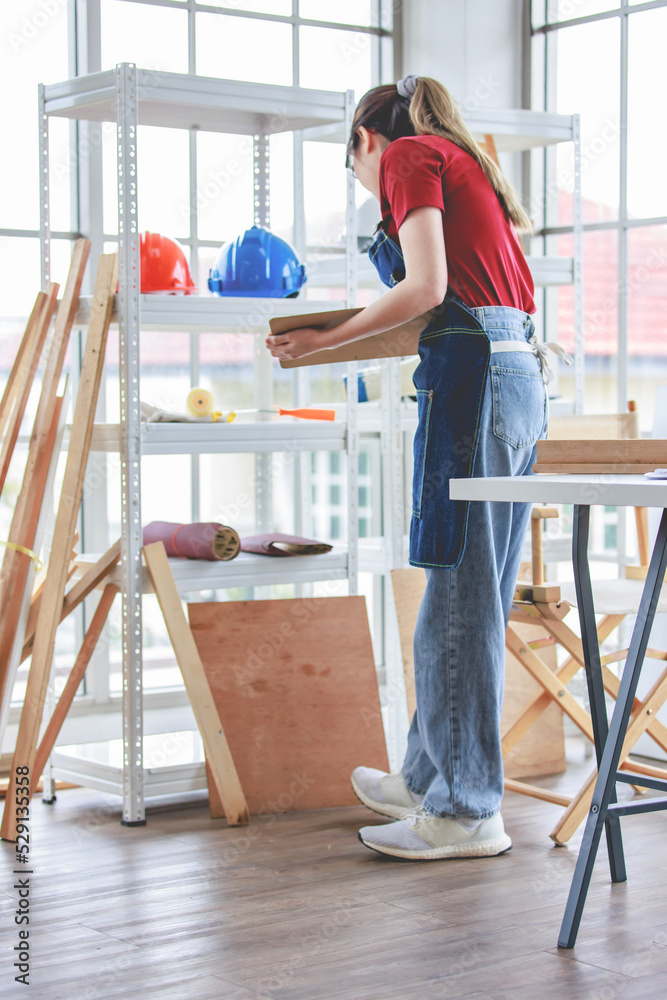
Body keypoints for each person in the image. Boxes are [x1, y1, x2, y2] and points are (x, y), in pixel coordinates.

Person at [265, 75, 555, 861]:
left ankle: (465, 811)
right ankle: (429, 776)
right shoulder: (460, 161)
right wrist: (337, 334)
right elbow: (448, 298)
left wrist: (323, 341)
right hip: (515, 374)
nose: (365, 185)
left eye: (351, 165)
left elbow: (423, 288)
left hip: (477, 380)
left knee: (459, 596)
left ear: (364, 140)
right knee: (469, 593)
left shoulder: (407, 159)